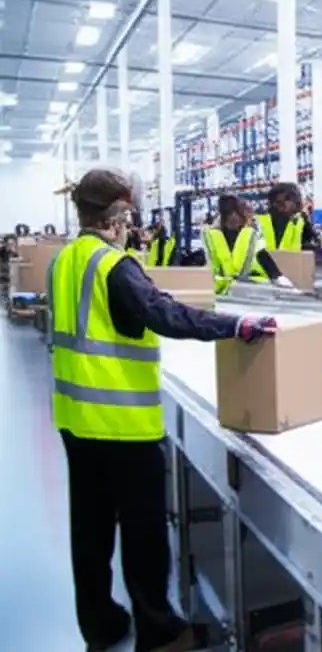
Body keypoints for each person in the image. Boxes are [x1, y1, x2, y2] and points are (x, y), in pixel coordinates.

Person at [52, 168, 277, 652]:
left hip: (76, 422)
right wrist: (234, 326)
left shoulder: (66, 260)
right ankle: (159, 632)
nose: (131, 225)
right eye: (128, 216)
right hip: (123, 426)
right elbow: (163, 315)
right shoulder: (114, 265)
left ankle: (101, 625)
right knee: (144, 534)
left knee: (88, 533)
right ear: (115, 217)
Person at [203, 194, 292, 294]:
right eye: (244, 212)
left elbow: (263, 255)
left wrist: (278, 277)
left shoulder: (251, 232)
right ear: (232, 213)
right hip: (222, 293)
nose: (248, 215)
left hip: (249, 290)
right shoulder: (211, 235)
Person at [258, 182, 317, 252]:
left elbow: (312, 244)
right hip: (285, 261)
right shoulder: (294, 220)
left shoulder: (299, 220)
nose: (299, 205)